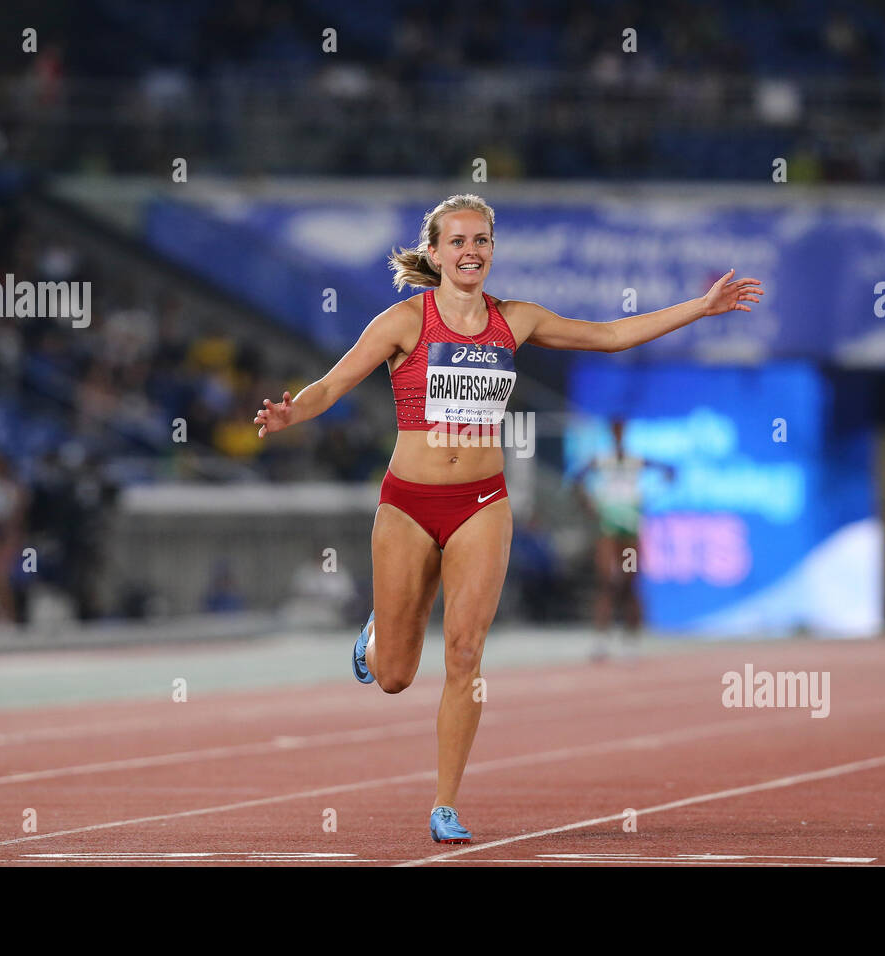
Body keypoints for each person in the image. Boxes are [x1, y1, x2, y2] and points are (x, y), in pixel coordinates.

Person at [253, 194, 762, 843]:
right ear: (434, 253)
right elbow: (331, 384)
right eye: (458, 242)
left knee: (465, 652)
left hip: (481, 504)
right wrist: (294, 412)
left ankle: (444, 804)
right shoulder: (404, 322)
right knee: (395, 677)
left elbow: (608, 335)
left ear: (492, 251)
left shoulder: (515, 320)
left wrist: (702, 307)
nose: (470, 252)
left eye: (481, 241)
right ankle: (378, 637)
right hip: (408, 503)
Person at [571, 419, 676, 661]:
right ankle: (601, 641)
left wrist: (648, 497)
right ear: (611, 433)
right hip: (609, 525)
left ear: (624, 433)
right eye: (615, 431)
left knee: (630, 583)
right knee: (606, 581)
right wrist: (589, 504)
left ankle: (631, 639)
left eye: (621, 431)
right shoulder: (603, 459)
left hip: (630, 526)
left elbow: (670, 470)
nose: (618, 435)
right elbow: (576, 479)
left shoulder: (634, 460)